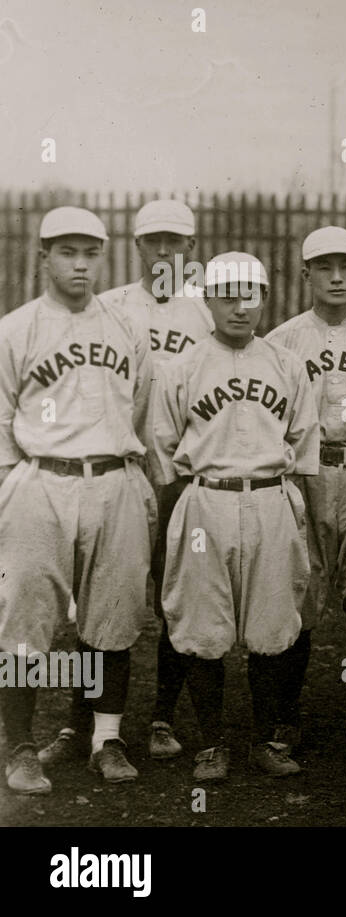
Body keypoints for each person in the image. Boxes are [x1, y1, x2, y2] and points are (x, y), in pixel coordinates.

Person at [46, 200, 214, 766]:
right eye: (153, 242)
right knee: (95, 599)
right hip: (124, 471)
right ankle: (79, 722)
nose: (164, 252)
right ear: (137, 246)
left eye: (175, 242)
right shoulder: (113, 307)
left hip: (183, 478)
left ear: (190, 247)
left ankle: (162, 717)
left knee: (177, 598)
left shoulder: (207, 315)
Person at [1, 207, 154, 794]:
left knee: (113, 616)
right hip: (40, 481)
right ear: (44, 258)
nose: (81, 264)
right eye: (68, 252)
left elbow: (139, 406)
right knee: (24, 619)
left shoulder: (124, 328)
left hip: (114, 477)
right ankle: (19, 747)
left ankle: (105, 739)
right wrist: (15, 489)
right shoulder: (16, 329)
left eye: (91, 253)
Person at [150, 251, 319, 781]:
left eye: (251, 295)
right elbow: (163, 448)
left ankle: (267, 740)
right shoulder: (181, 368)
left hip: (271, 497)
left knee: (272, 623)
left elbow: (303, 442)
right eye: (227, 295)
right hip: (206, 497)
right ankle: (211, 744)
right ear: (207, 300)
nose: (240, 307)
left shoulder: (288, 366)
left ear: (265, 299)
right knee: (202, 624)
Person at [265, 226, 346, 756]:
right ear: (306, 274)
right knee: (296, 591)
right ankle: (283, 718)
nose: (336, 277)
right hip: (306, 474)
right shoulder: (283, 340)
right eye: (323, 267)